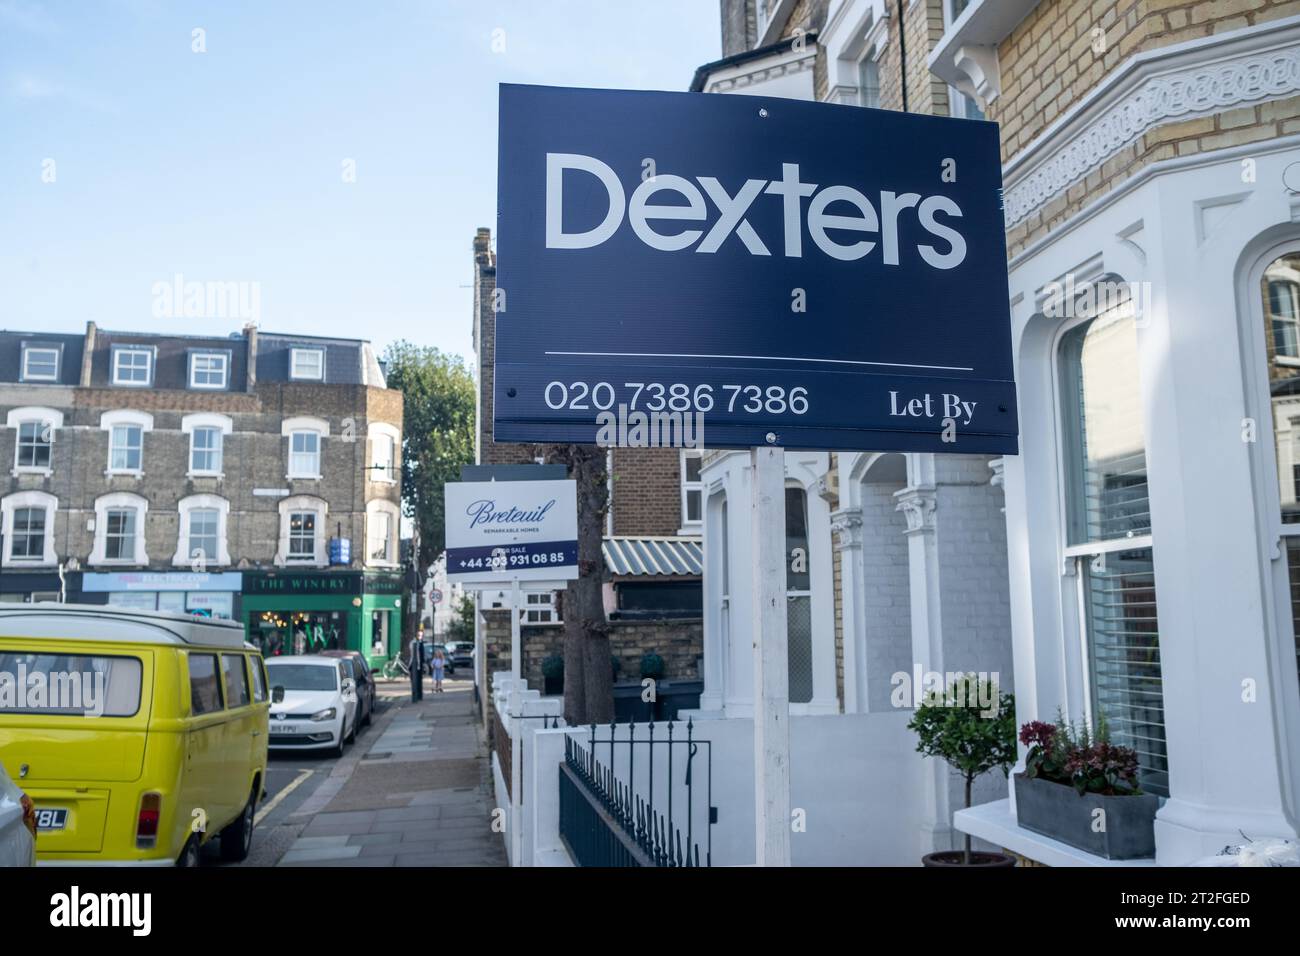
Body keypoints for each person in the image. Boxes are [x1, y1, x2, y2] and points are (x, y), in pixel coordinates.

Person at [409, 636, 425, 702]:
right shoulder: (417, 643)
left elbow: (417, 656)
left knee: (416, 680)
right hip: (416, 665)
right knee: (417, 680)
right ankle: (418, 695)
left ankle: (417, 696)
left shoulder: (416, 643)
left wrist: (418, 665)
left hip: (416, 665)